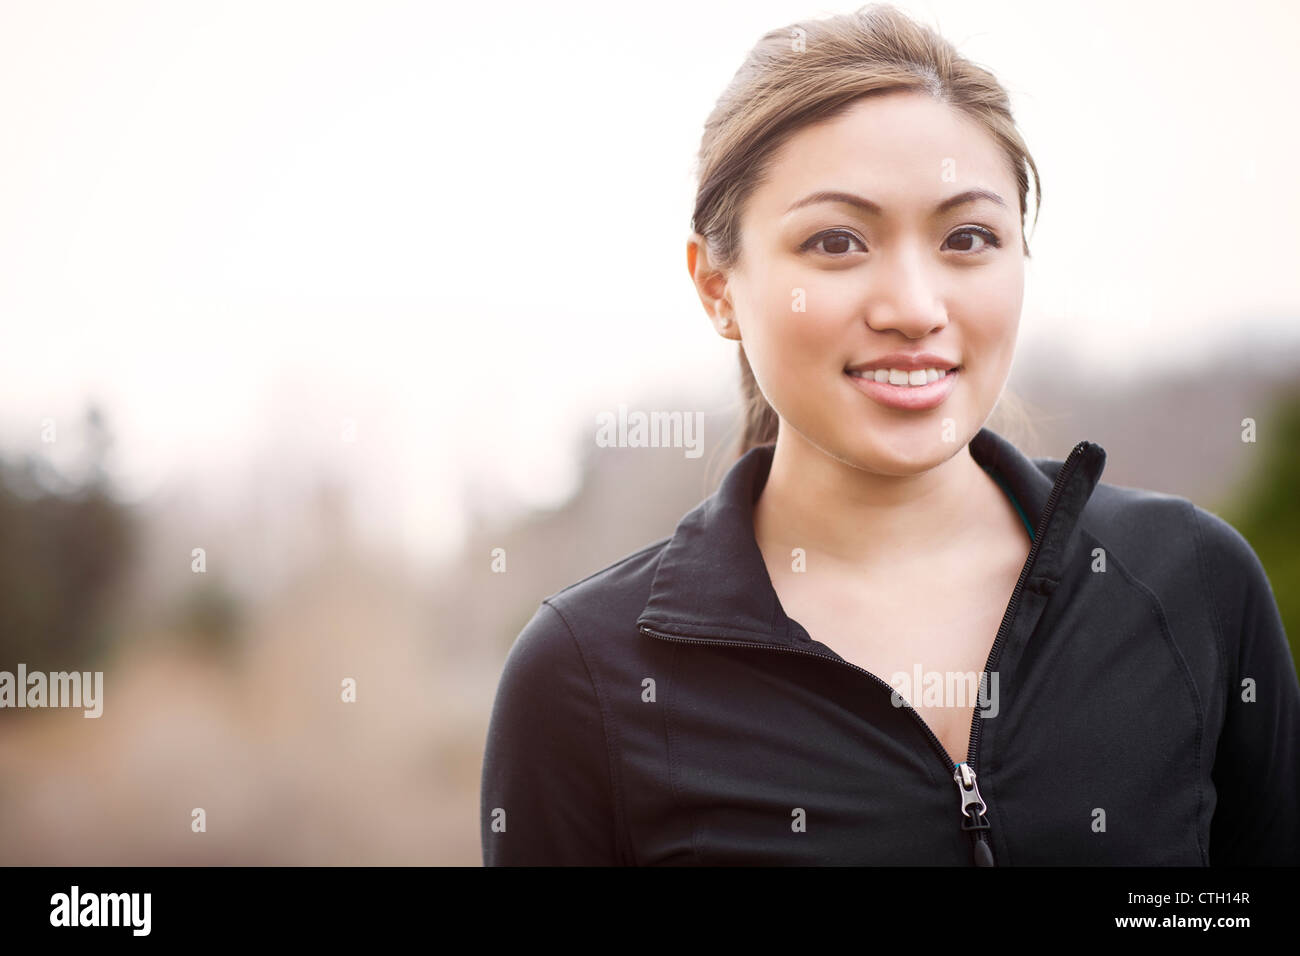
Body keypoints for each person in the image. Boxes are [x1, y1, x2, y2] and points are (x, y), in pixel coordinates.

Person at [480, 3, 1300, 866]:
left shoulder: (1191, 586)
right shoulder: (585, 678)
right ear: (718, 285)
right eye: (837, 242)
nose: (914, 307)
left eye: (967, 237)